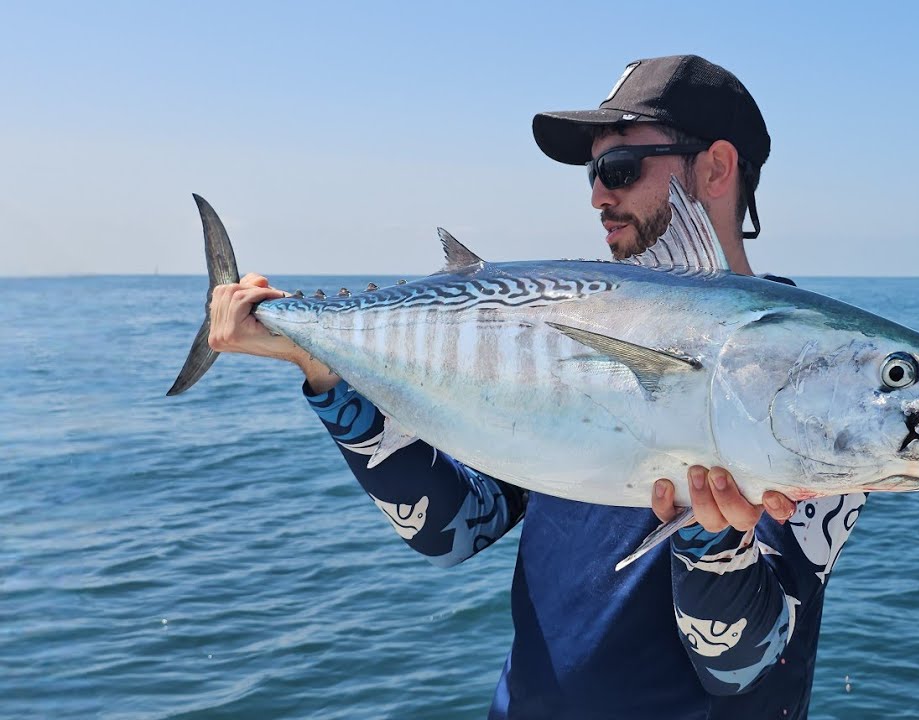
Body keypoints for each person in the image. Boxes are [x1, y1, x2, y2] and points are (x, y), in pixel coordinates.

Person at [208, 55, 866, 719]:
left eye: (620, 169)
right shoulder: (564, 329)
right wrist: (322, 372)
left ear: (716, 168)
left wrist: (712, 537)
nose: (597, 196)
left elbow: (746, 665)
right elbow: (454, 530)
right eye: (593, 174)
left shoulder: (817, 381)